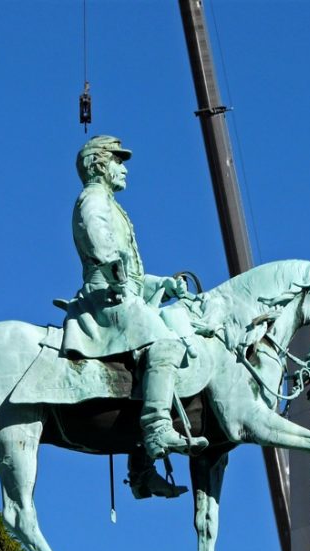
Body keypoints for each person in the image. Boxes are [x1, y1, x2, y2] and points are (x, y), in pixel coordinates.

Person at [62, 135, 207, 498]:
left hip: (123, 294)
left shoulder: (113, 204)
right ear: (100, 164)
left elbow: (134, 277)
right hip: (104, 301)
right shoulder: (93, 199)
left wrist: (164, 284)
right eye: (118, 160)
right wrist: (113, 265)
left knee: (175, 335)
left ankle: (141, 472)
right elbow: (100, 244)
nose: (123, 168)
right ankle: (158, 428)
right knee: (165, 345)